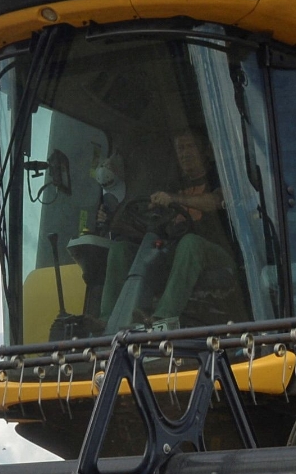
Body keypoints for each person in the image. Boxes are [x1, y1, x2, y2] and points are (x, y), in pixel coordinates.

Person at [100, 129, 237, 329]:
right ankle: (106, 322)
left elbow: (216, 201)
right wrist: (112, 218)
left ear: (205, 150)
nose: (184, 153)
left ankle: (161, 320)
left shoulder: (221, 176)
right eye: (180, 148)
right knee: (120, 249)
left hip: (220, 257)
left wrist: (174, 199)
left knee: (190, 242)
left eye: (190, 146)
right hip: (177, 256)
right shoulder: (172, 184)